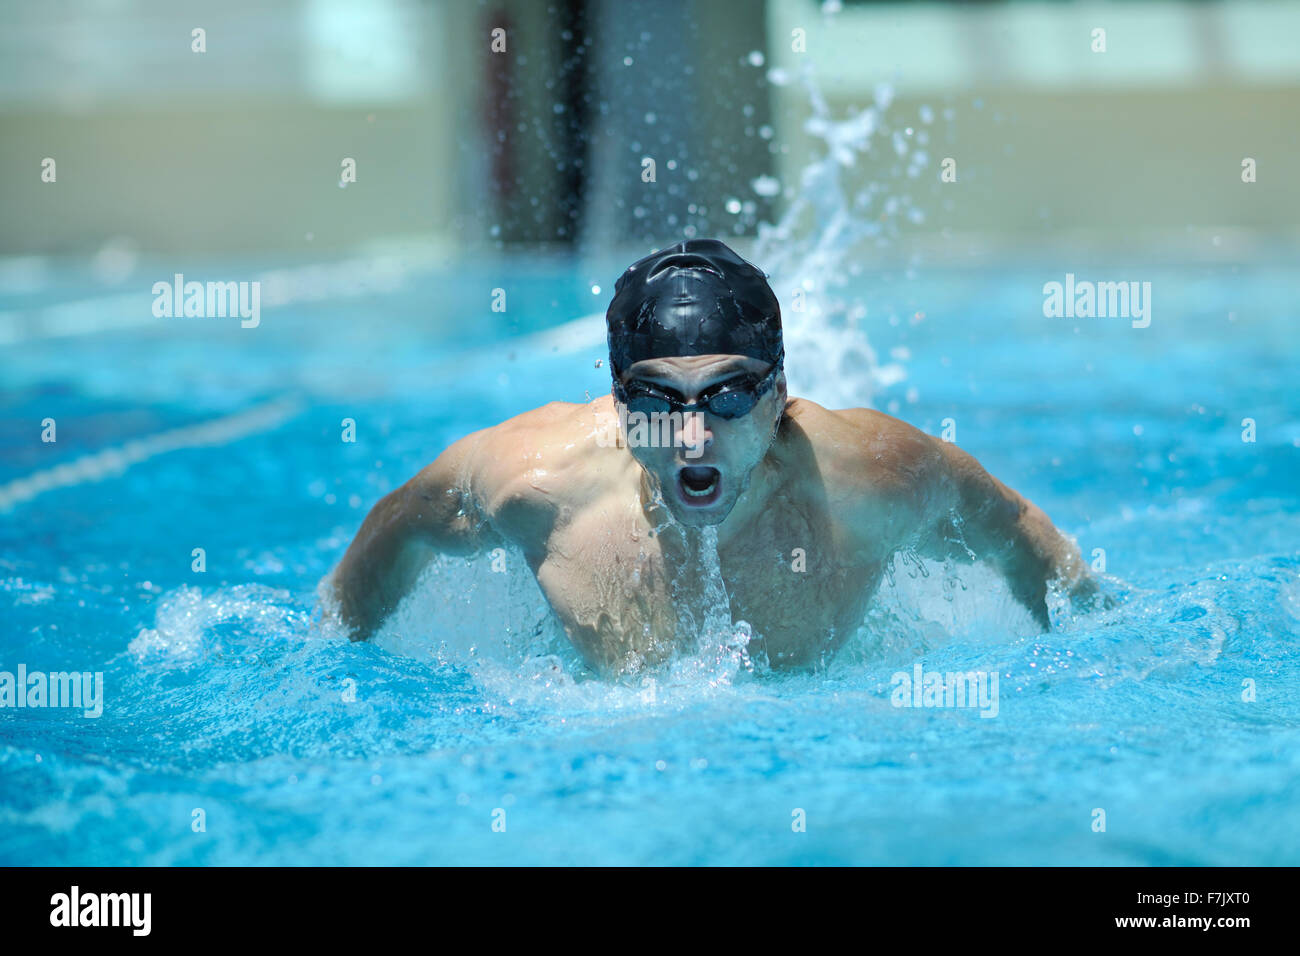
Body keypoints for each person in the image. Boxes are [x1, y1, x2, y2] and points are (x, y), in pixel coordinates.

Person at [328, 238, 1100, 674]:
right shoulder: (534, 483)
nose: (692, 436)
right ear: (618, 398)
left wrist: (1092, 647)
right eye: (658, 401)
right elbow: (396, 526)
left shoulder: (872, 478)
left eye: (728, 396)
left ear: (779, 393)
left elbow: (1012, 527)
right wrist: (338, 661)